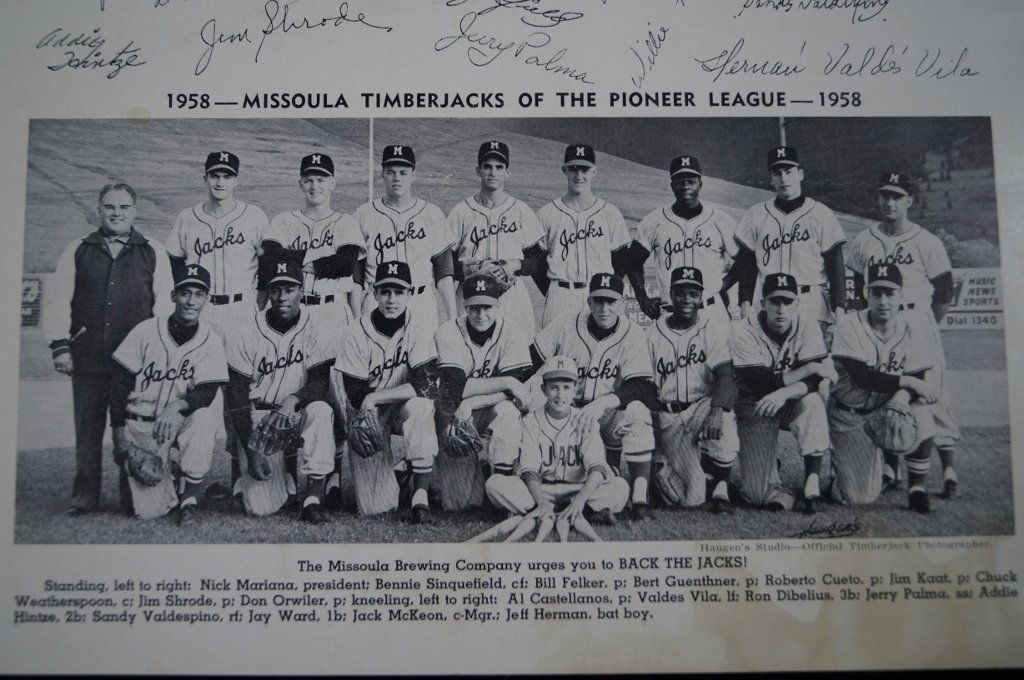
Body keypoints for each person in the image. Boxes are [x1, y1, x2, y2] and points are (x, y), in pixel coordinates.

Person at [43, 182, 173, 516]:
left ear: (135, 211)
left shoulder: (152, 250)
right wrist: (60, 346)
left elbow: (164, 307)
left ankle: (132, 496)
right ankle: (84, 498)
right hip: (88, 358)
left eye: (123, 207)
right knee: (87, 430)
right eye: (110, 207)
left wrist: (157, 354)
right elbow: (58, 300)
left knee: (131, 429)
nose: (117, 213)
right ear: (99, 209)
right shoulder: (78, 249)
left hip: (135, 365)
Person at [844, 172, 960, 498]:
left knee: (933, 394)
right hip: (879, 324)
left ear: (909, 200)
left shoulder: (927, 241)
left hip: (917, 318)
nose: (890, 202)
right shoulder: (864, 240)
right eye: (885, 195)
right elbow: (855, 288)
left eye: (897, 196)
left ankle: (948, 469)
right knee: (887, 390)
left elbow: (944, 293)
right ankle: (891, 468)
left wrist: (927, 325)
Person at [164, 151, 270, 493]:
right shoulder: (187, 218)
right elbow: (175, 268)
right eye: (214, 175)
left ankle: (240, 478)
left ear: (237, 180)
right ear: (205, 178)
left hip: (241, 310)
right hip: (204, 313)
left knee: (241, 394)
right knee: (195, 390)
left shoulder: (254, 216)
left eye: (226, 175)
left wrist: (258, 311)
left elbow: (268, 271)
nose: (220, 181)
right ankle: (186, 476)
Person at [530, 273, 657, 519]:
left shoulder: (632, 333)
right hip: (568, 414)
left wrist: (603, 403)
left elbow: (641, 386)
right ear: (588, 301)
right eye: (598, 301)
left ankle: (640, 499)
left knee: (638, 413)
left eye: (611, 301)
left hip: (607, 414)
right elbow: (531, 360)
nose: (604, 308)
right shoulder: (566, 323)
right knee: (566, 471)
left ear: (622, 303)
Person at [109, 264, 227, 524]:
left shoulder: (211, 340)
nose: (191, 301)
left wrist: (176, 406)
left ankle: (190, 499)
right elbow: (118, 384)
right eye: (185, 293)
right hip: (140, 424)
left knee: (205, 419)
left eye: (198, 294)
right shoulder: (145, 331)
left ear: (206, 299)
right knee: (148, 511)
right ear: (174, 295)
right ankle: (170, 473)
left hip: (177, 421)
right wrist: (119, 437)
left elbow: (207, 392)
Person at [223, 257, 336, 523]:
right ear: (268, 293)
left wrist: (292, 400)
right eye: (275, 290)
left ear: (301, 291)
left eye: (289, 289)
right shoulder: (246, 329)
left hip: (295, 413)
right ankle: (277, 479)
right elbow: (236, 394)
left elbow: (320, 382)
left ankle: (313, 499)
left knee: (321, 411)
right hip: (260, 418)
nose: (282, 297)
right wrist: (251, 450)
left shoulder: (317, 326)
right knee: (260, 508)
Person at [828, 263, 940, 512]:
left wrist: (901, 397)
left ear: (900, 294)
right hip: (849, 415)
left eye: (890, 293)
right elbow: (862, 378)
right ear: (865, 293)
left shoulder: (914, 327)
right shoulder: (849, 325)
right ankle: (844, 473)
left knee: (921, 410)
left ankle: (917, 489)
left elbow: (917, 375)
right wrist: (906, 383)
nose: (883, 301)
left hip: (885, 407)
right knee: (859, 497)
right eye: (876, 293)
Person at [337, 261, 440, 522]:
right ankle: (401, 472)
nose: (392, 300)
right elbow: (356, 394)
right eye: (385, 292)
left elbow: (426, 384)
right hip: (366, 412)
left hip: (400, 405)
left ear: (409, 294)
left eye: (399, 292)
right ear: (374, 292)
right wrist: (370, 401)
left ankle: (420, 497)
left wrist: (376, 396)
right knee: (377, 507)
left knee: (421, 407)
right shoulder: (355, 331)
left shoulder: (419, 325)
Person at [730, 272, 835, 512]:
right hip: (755, 403)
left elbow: (815, 381)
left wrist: (784, 394)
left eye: (787, 302)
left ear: (797, 303)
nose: (781, 309)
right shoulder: (742, 329)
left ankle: (812, 481)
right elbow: (760, 383)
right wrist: (809, 367)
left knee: (814, 403)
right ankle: (767, 469)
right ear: (762, 303)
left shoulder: (807, 325)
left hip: (789, 401)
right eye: (775, 301)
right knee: (756, 495)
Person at [485, 355, 628, 525]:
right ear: (543, 389)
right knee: (494, 484)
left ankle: (555, 511)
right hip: (541, 490)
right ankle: (581, 513)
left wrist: (579, 500)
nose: (560, 395)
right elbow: (530, 472)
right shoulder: (531, 421)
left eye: (566, 387)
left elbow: (597, 468)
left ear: (575, 389)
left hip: (577, 489)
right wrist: (542, 501)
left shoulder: (585, 419)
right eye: (554, 388)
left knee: (620, 487)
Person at [433, 272, 533, 509]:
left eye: (487, 307)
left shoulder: (513, 331)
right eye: (474, 307)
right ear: (464, 305)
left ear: (498, 304)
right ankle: (417, 475)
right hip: (452, 410)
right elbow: (456, 388)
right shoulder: (447, 332)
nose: (480, 314)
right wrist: (508, 382)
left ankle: (502, 482)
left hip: (484, 407)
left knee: (508, 412)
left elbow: (518, 390)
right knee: (461, 504)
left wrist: (471, 403)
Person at [646, 266, 738, 513]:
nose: (687, 299)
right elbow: (646, 391)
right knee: (690, 498)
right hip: (668, 417)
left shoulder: (711, 328)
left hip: (700, 408)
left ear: (700, 297)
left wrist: (717, 411)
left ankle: (721, 488)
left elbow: (725, 376)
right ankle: (702, 477)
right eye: (681, 293)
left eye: (693, 294)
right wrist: (656, 448)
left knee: (725, 415)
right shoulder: (652, 335)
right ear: (671, 295)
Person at [733, 147, 847, 338]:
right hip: (769, 303)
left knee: (811, 356)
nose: (783, 178)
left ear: (800, 174)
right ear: (771, 178)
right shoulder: (756, 214)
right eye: (777, 173)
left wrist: (840, 316)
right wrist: (745, 310)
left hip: (810, 304)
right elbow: (747, 268)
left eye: (788, 171)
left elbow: (836, 269)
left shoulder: (821, 214)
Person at [447, 140, 545, 336]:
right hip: (471, 293)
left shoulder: (521, 210)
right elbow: (443, 264)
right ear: (478, 170)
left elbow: (539, 261)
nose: (493, 172)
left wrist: (516, 264)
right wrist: (467, 269)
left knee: (516, 347)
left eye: (499, 167)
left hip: (511, 294)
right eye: (487, 166)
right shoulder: (461, 211)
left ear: (508, 172)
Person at [353, 145, 456, 331]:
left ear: (413, 175)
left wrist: (452, 318)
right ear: (382, 174)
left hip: (419, 301)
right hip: (378, 300)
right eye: (391, 172)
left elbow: (444, 272)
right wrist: (356, 318)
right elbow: (356, 275)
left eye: (403, 172)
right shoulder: (363, 214)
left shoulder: (432, 214)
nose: (397, 178)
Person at [629, 155, 740, 325]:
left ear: (700, 184)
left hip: (711, 309)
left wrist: (723, 286)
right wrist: (643, 299)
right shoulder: (654, 220)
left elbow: (744, 260)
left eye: (691, 181)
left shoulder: (721, 220)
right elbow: (632, 261)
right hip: (670, 310)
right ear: (672, 185)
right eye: (680, 181)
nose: (685, 186)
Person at [262, 152, 366, 333]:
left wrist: (291, 262)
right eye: (308, 180)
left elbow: (345, 265)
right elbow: (269, 257)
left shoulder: (346, 222)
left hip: (333, 310)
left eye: (320, 180)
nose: (314, 186)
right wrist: (321, 258)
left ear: (332, 183)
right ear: (300, 183)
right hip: (291, 311)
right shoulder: (284, 220)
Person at [534, 144, 632, 328]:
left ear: (594, 171)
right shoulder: (547, 213)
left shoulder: (610, 213)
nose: (579, 175)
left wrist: (607, 288)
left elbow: (621, 261)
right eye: (573, 169)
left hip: (600, 293)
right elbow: (537, 264)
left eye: (585, 169)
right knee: (556, 346)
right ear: (564, 170)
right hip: (560, 295)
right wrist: (552, 289)